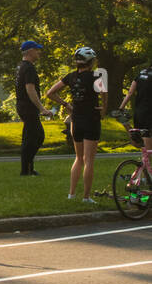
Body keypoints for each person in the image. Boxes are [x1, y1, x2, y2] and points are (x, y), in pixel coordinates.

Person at [44, 47, 105, 204]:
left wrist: (66, 104)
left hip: (75, 120)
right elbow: (104, 95)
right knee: (89, 160)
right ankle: (86, 197)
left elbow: (50, 92)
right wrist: (103, 109)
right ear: (91, 62)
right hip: (91, 120)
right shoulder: (97, 75)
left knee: (79, 158)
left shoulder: (70, 76)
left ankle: (71, 194)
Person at [15, 40, 48, 176]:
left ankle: (28, 168)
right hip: (28, 107)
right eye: (36, 49)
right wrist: (41, 108)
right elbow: (30, 89)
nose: (39, 52)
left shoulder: (20, 66)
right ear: (30, 51)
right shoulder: (28, 68)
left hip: (23, 106)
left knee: (30, 137)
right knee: (36, 137)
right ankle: (26, 170)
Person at [119, 62, 152, 150]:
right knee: (148, 145)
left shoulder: (141, 73)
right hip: (149, 112)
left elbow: (130, 93)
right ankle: (146, 162)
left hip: (139, 112)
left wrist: (121, 108)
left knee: (139, 143)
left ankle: (127, 125)